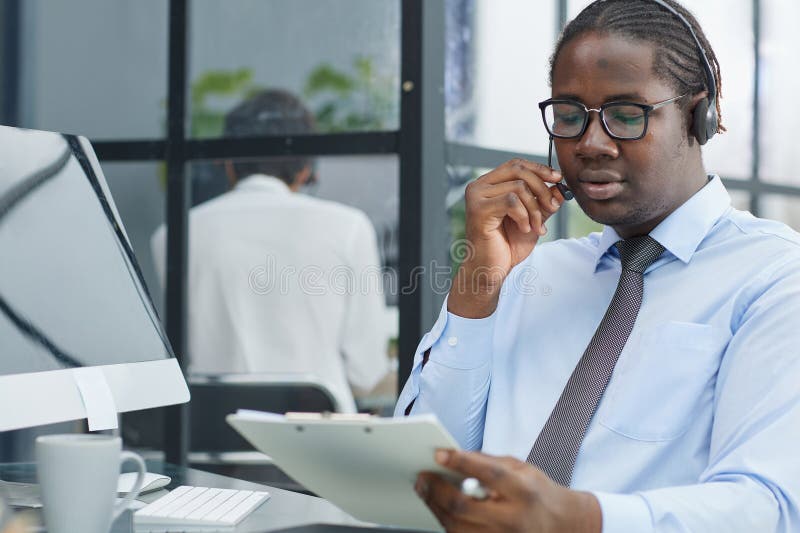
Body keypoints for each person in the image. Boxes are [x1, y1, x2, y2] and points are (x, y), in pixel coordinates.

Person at [395, 0, 800, 531]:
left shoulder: (774, 278)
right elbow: (430, 464)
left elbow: (770, 506)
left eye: (626, 115)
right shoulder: (533, 272)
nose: (590, 143)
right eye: (568, 116)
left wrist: (576, 518)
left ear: (700, 116)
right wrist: (478, 287)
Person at [152, 89, 391, 413]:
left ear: (227, 163)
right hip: (317, 441)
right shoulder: (348, 228)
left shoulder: (171, 235)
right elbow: (366, 372)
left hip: (213, 439)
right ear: (306, 167)